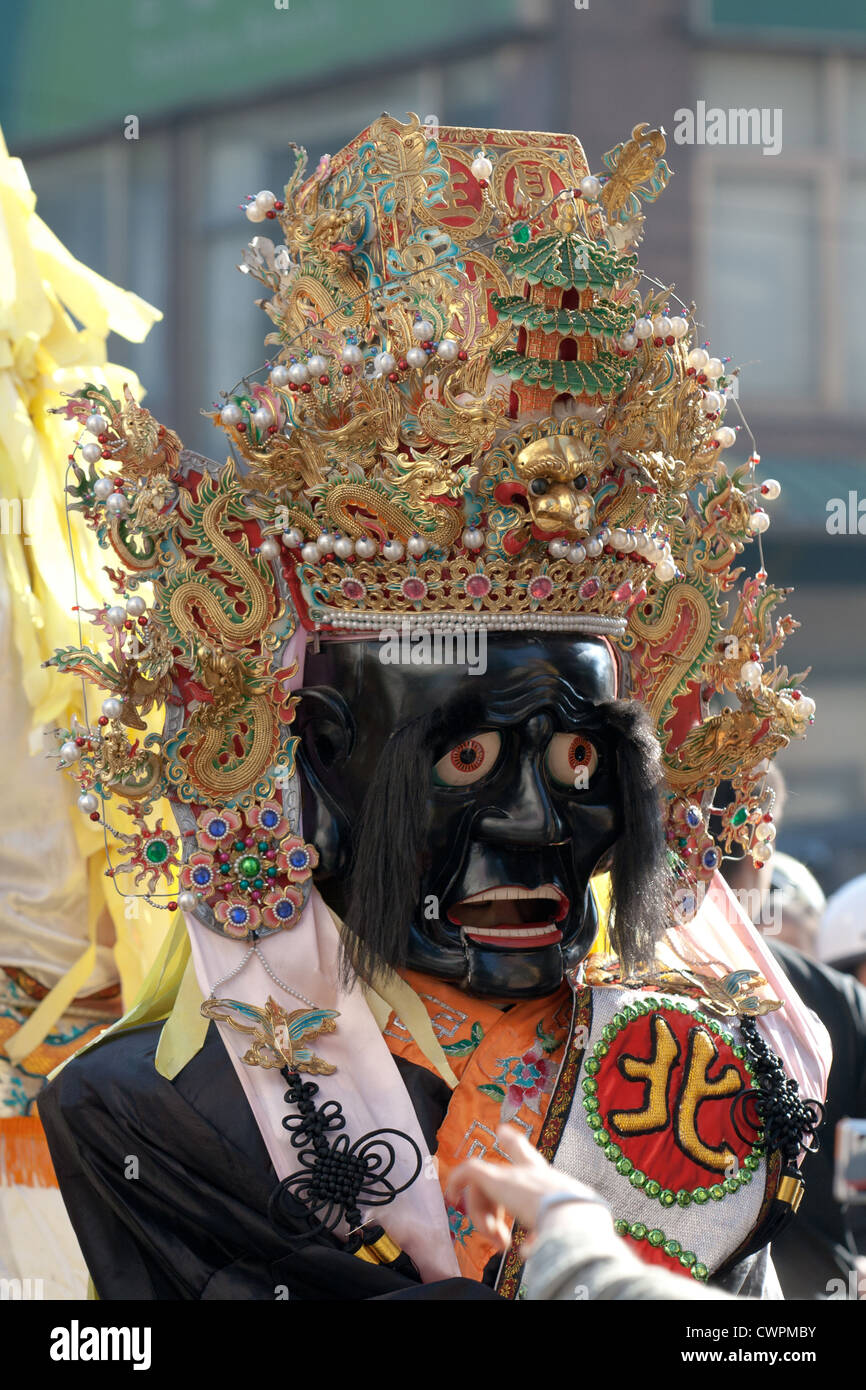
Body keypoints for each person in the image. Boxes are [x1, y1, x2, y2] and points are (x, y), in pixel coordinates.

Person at [39, 114, 829, 1300]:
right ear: (311, 764)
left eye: (577, 761)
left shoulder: (721, 1073)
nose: (532, 823)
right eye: (462, 758)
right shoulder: (157, 1116)